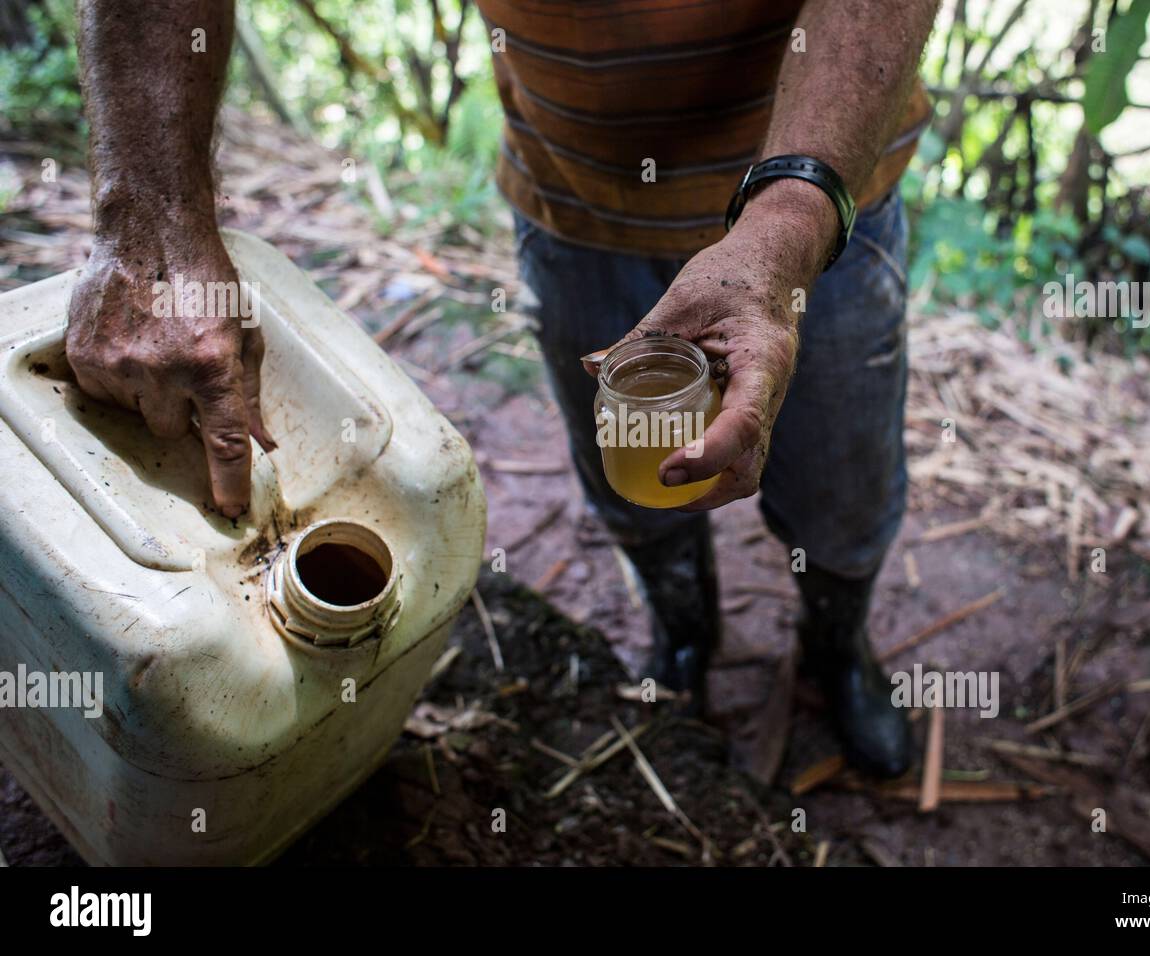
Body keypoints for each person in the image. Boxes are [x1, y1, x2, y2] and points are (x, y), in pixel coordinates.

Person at [68, 0, 939, 778]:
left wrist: (790, 222)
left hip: (826, 205)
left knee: (841, 495)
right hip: (575, 203)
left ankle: (835, 648)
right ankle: (685, 635)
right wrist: (151, 214)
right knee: (631, 482)